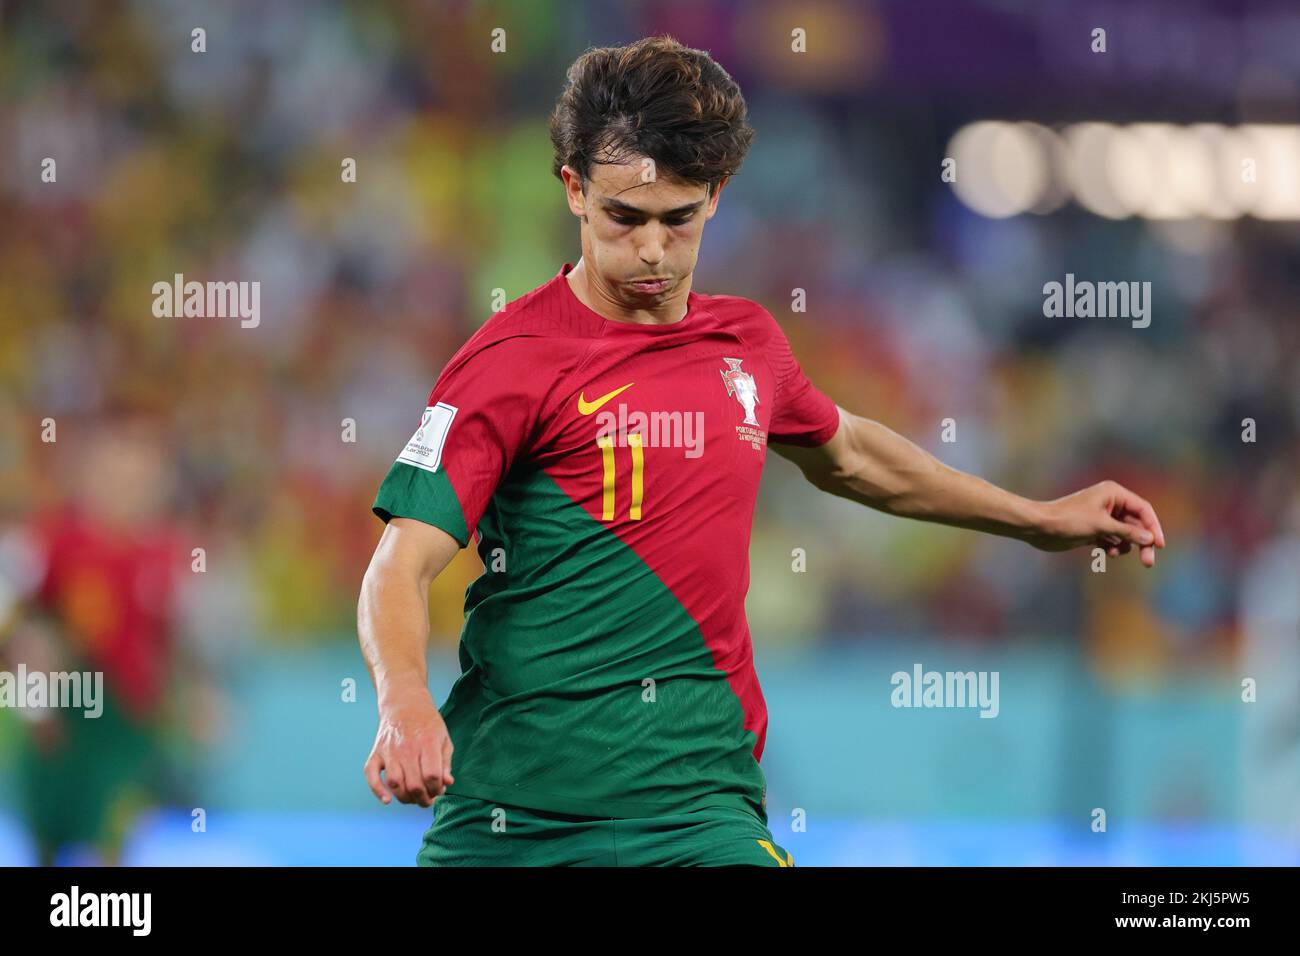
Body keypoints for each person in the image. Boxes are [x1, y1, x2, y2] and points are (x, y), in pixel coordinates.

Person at [357, 35, 1165, 867]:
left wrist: (1035, 519)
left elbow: (851, 455)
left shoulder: (748, 345)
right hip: (511, 815)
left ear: (717, 195)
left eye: (678, 219)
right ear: (573, 189)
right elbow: (399, 564)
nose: (651, 252)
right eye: (623, 218)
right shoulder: (508, 359)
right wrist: (406, 698)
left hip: (700, 813)